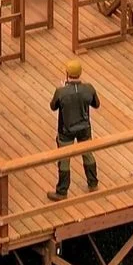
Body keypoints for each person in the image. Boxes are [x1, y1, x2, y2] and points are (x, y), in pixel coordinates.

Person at [49, 57, 99, 199]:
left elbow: (53, 106)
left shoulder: (61, 92)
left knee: (64, 159)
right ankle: (93, 183)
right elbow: (96, 104)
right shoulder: (88, 89)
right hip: (84, 128)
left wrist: (64, 88)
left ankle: (62, 191)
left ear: (67, 73)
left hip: (66, 130)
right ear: (80, 73)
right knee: (88, 154)